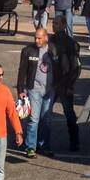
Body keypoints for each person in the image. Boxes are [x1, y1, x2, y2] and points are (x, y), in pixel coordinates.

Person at [16, 26, 56, 157]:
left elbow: (59, 69)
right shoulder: (28, 51)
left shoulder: (53, 50)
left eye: (39, 38)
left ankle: (44, 146)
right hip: (34, 89)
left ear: (46, 38)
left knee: (46, 119)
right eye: (35, 38)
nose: (37, 40)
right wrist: (20, 89)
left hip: (49, 90)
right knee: (34, 119)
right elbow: (22, 71)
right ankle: (30, 147)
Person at [51, 14, 81, 152]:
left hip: (64, 84)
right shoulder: (50, 40)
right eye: (53, 23)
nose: (53, 25)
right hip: (51, 83)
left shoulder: (70, 43)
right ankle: (42, 142)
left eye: (56, 23)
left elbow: (76, 67)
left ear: (64, 25)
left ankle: (74, 142)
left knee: (69, 114)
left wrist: (70, 85)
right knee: (44, 114)